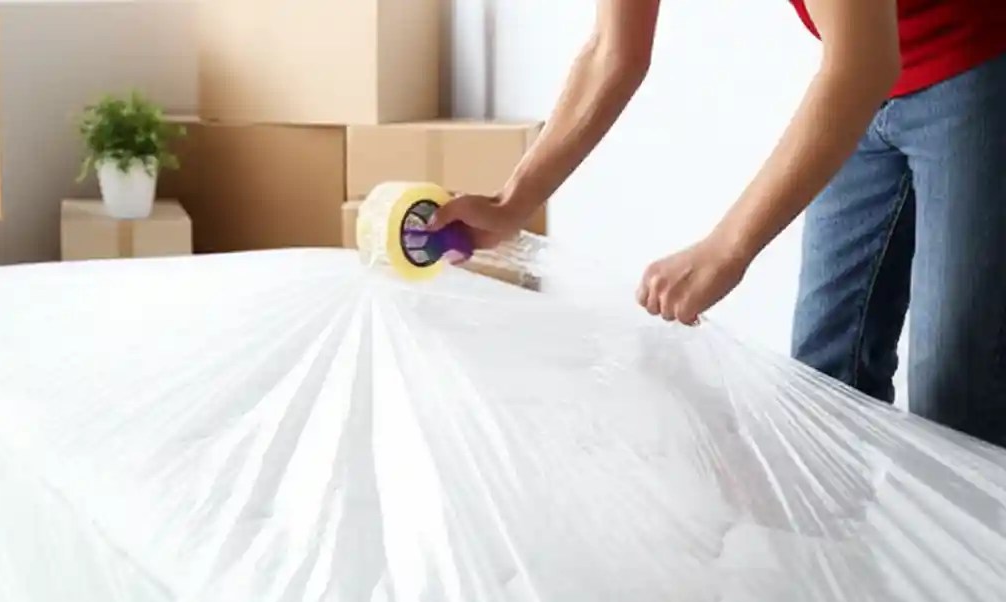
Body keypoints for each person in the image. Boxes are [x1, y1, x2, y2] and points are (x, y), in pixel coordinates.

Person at [429, 0, 1006, 447]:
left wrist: (727, 249)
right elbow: (613, 51)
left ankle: (978, 593)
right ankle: (833, 587)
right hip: (871, 80)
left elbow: (863, 65)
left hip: (978, 61)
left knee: (956, 394)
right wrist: (511, 203)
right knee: (825, 378)